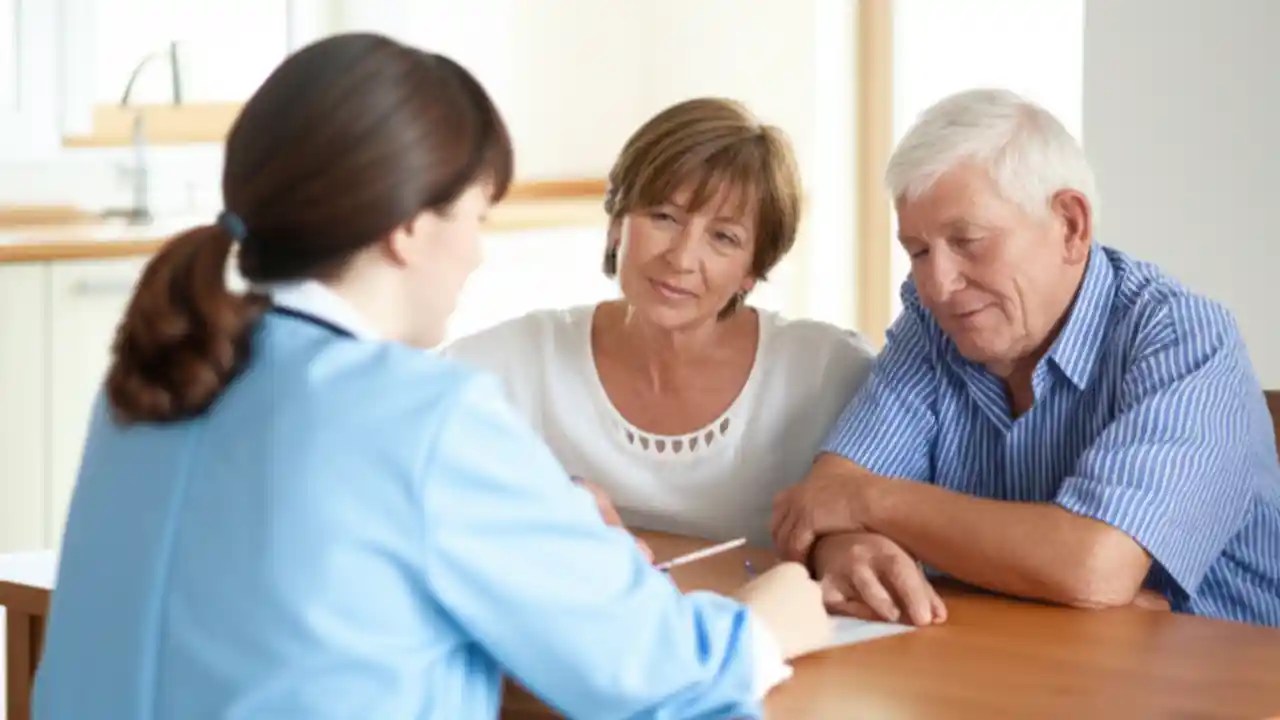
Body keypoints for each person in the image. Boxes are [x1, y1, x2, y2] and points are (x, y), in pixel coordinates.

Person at [34, 33, 832, 720]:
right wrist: (766, 622)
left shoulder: (156, 377)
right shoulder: (425, 417)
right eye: (475, 217)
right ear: (411, 228)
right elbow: (652, 680)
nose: (478, 253)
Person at [771, 88, 1280, 628]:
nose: (939, 284)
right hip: (1020, 660)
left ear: (1070, 225)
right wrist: (847, 547)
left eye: (968, 240)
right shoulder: (934, 323)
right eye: (918, 251)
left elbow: (1093, 568)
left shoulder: (1185, 339)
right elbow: (826, 496)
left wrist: (871, 504)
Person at [443, 97, 875, 550]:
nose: (682, 258)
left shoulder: (828, 371)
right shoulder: (514, 362)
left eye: (724, 238)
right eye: (664, 218)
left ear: (752, 270)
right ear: (617, 223)